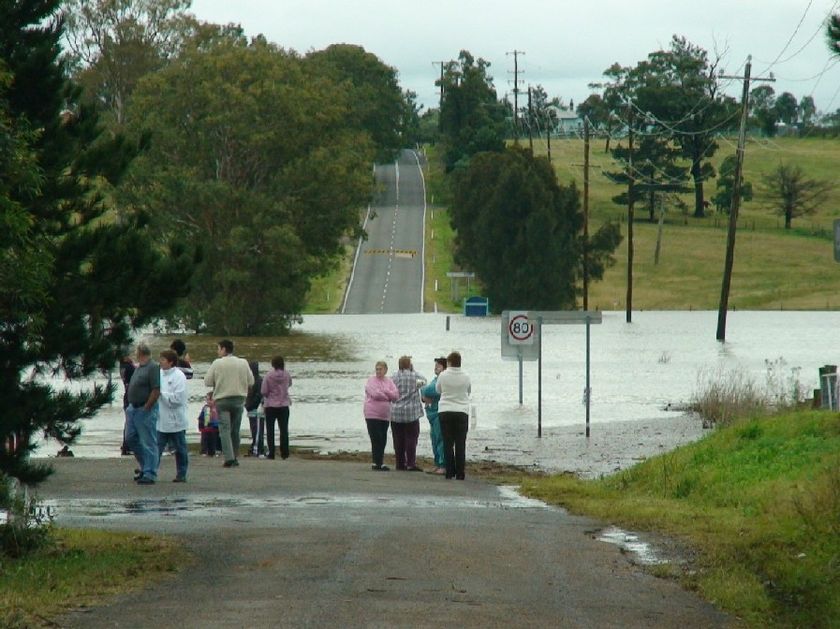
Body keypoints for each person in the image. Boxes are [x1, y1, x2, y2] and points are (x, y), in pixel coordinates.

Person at [204, 339, 254, 468]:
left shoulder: (217, 363)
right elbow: (251, 381)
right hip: (239, 399)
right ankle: (235, 455)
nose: (217, 351)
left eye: (218, 348)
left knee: (224, 429)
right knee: (235, 429)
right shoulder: (243, 362)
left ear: (224, 349)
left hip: (223, 400)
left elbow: (208, 381)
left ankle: (229, 458)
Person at [125, 343, 161, 484]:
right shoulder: (139, 367)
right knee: (131, 438)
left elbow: (156, 389)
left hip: (144, 409)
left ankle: (150, 473)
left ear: (140, 353)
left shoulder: (152, 367)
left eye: (136, 352)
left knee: (148, 441)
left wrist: (147, 406)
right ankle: (145, 466)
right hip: (133, 408)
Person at [436, 351, 471, 480]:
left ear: (449, 363)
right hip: (462, 411)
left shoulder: (443, 375)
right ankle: (460, 473)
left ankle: (449, 471)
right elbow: (469, 390)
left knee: (447, 442)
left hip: (445, 410)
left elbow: (438, 390)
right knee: (460, 443)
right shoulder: (466, 376)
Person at [157, 349, 189, 482]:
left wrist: (162, 394)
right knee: (156, 448)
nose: (160, 362)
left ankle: (181, 474)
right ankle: (150, 471)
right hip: (160, 418)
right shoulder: (158, 374)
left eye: (163, 360)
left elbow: (178, 399)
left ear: (170, 362)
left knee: (180, 448)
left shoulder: (179, 376)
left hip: (176, 419)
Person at [390, 356, 426, 471]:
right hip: (411, 412)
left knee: (398, 439)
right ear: (409, 364)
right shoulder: (415, 376)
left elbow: (389, 388)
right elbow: (425, 382)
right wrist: (413, 370)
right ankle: (411, 463)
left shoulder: (393, 377)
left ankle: (400, 463)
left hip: (395, 412)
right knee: (411, 438)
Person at [363, 361, 399, 471]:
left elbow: (396, 395)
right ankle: (376, 462)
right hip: (372, 414)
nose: (378, 371)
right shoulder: (371, 380)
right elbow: (375, 394)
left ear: (385, 370)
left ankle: (380, 461)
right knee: (376, 437)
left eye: (380, 369)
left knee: (383, 438)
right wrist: (388, 396)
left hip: (384, 415)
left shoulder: (389, 381)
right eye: (377, 369)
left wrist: (386, 391)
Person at [261, 355, 292, 460]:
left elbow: (264, 391)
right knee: (284, 429)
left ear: (273, 364)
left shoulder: (269, 375)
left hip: (271, 405)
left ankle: (271, 453)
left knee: (270, 430)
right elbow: (290, 384)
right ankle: (285, 452)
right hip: (284, 404)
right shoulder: (287, 374)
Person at [420, 357, 447, 475]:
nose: (436, 367)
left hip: (439, 413)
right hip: (432, 414)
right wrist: (425, 395)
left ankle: (443, 464)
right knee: (434, 440)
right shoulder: (435, 379)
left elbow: (429, 390)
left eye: (439, 365)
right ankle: (437, 463)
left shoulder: (442, 380)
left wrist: (423, 389)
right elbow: (426, 393)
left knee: (441, 439)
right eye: (436, 365)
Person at [245, 361, 265, 457]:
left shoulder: (259, 380)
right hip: (251, 409)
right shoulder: (252, 380)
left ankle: (258, 449)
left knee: (257, 430)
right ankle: (256, 447)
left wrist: (250, 405)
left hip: (256, 410)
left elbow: (259, 396)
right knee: (255, 430)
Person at [118, 352, 136, 456]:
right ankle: (128, 445)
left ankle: (126, 445)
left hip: (127, 395)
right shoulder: (129, 367)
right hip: (131, 396)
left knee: (128, 421)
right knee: (131, 422)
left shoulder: (123, 367)